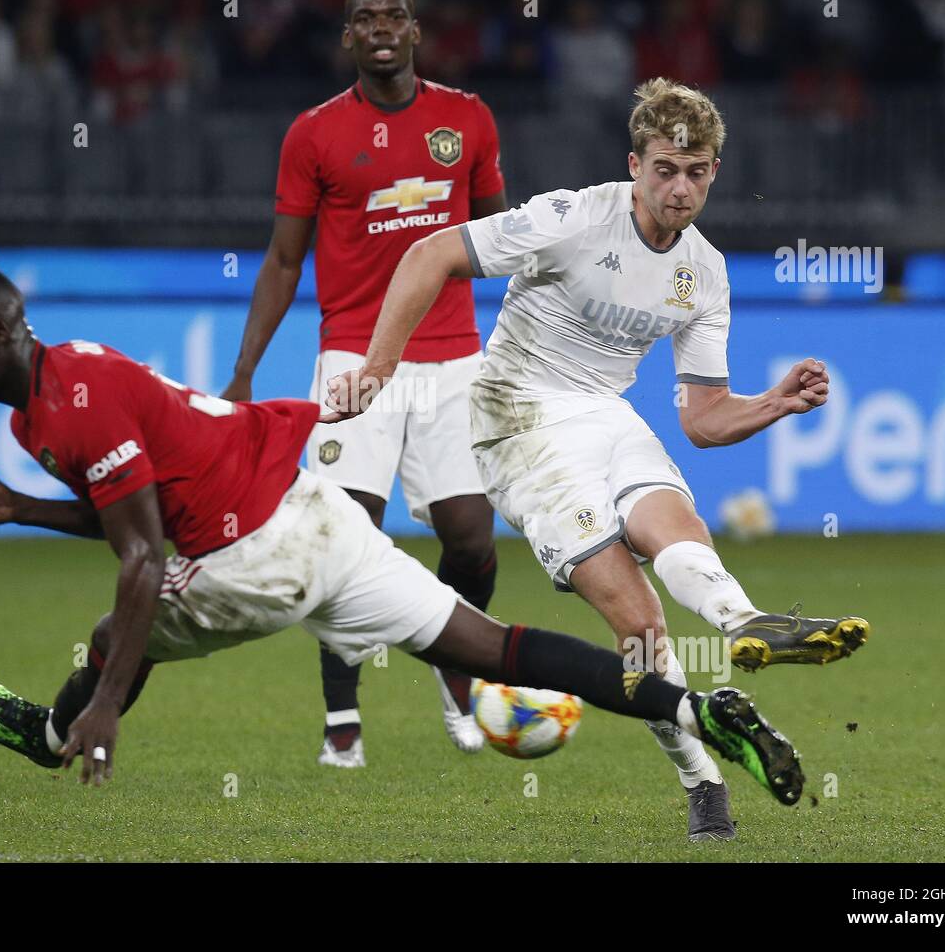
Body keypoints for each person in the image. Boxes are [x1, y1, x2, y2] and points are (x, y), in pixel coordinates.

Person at [0, 270, 803, 812]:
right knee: (490, 646)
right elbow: (133, 514)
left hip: (261, 549)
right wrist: (25, 508)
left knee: (118, 637)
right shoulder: (60, 385)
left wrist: (109, 700)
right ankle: (697, 709)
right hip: (318, 514)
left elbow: (143, 556)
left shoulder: (70, 407)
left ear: (1, 336)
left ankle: (53, 734)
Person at [322, 77, 870, 840]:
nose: (681, 188)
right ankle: (704, 783)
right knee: (639, 619)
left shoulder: (704, 271)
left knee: (675, 531)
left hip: (606, 414)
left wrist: (774, 403)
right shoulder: (573, 216)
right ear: (636, 164)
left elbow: (704, 421)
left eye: (699, 171)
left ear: (716, 171)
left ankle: (749, 623)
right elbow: (428, 252)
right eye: (666, 169)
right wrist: (379, 368)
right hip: (518, 420)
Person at [221, 0, 507, 767]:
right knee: (343, 535)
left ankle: (456, 670)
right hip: (353, 356)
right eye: (364, 20)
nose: (380, 29)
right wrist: (244, 373)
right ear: (347, 38)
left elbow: (498, 240)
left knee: (472, 537)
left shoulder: (467, 119)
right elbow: (284, 260)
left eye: (394, 17)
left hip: (451, 352)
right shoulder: (312, 134)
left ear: (416, 30)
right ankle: (341, 719)